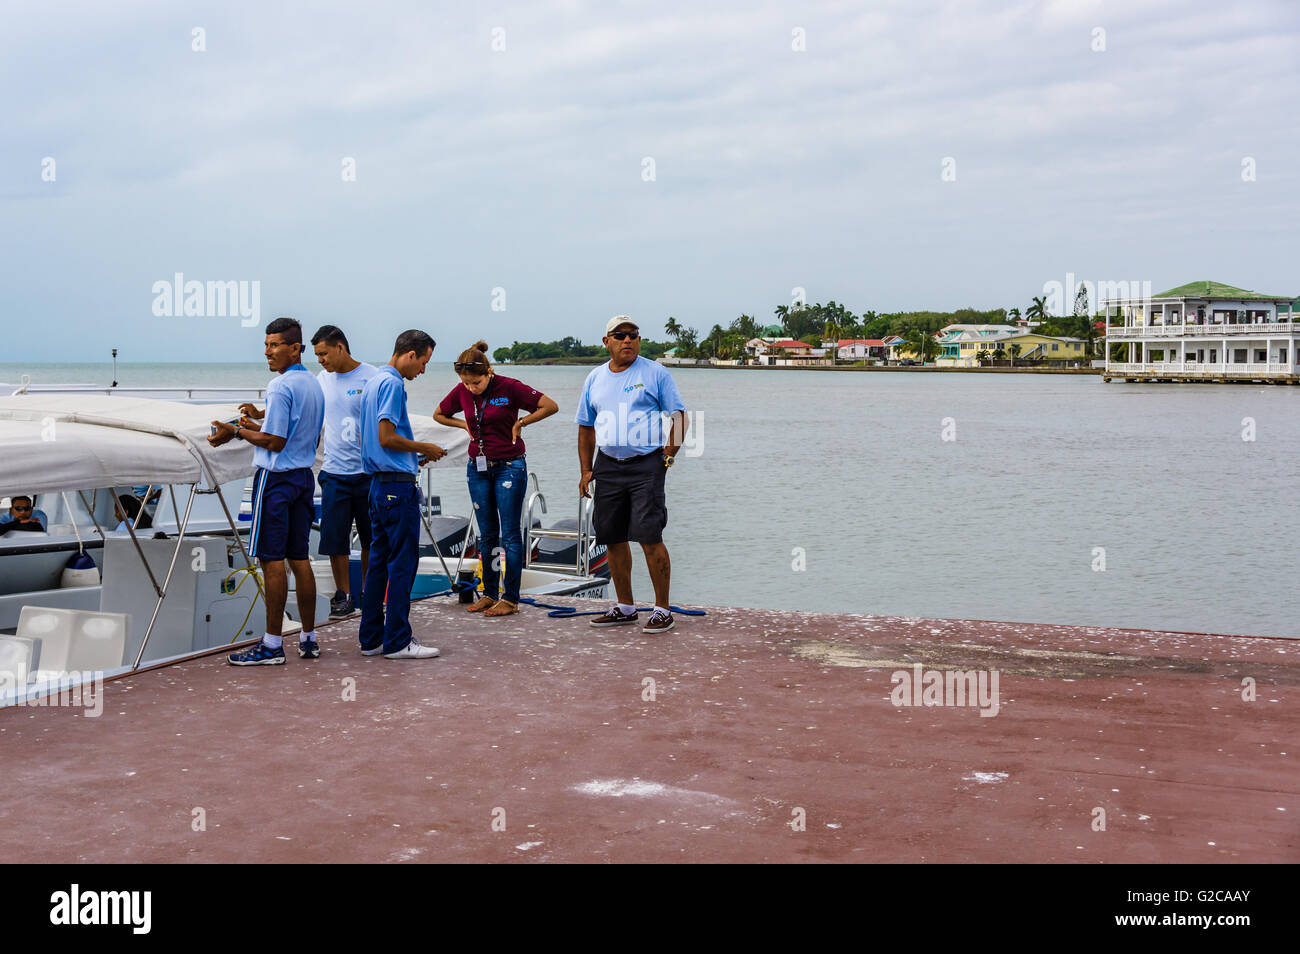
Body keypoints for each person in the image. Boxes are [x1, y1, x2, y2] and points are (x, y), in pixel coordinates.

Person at [209, 317, 325, 665]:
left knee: (270, 563)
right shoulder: (314, 384)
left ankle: (272, 646)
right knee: (300, 560)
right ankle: (308, 637)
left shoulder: (279, 386)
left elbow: (274, 442)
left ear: (294, 347)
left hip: (275, 481)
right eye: (266, 344)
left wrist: (235, 432)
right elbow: (295, 433)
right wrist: (252, 422)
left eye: (274, 345)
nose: (268, 352)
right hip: (304, 478)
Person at [576, 315, 687, 634]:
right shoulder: (595, 377)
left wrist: (667, 457)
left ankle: (663, 609)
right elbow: (586, 427)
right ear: (606, 341)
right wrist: (586, 470)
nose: (628, 340)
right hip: (607, 465)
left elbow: (680, 418)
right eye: (620, 335)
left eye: (633, 335)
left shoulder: (655, 373)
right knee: (612, 536)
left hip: (647, 465)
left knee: (650, 536)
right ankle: (625, 607)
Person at [433, 341, 558, 616]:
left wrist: (521, 422)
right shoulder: (463, 389)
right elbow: (439, 414)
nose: (471, 388)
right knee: (487, 534)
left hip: (509, 466)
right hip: (477, 468)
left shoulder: (509, 387)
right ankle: (489, 593)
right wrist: (462, 424)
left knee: (510, 534)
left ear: (489, 372)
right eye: (466, 384)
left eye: (476, 383)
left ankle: (510, 598)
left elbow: (550, 406)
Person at [358, 329, 446, 659]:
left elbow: (374, 441)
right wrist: (424, 446)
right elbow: (386, 436)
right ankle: (397, 640)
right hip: (397, 488)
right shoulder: (394, 384)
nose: (422, 370)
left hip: (378, 485)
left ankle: (371, 639)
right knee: (403, 564)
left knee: (379, 563)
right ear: (410, 354)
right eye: (423, 362)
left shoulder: (373, 383)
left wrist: (411, 456)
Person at [312, 324, 379, 618]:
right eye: (317, 355)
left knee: (370, 539)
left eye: (324, 353)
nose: (321, 360)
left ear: (340, 347)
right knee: (335, 540)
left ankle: (367, 592)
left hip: (366, 473)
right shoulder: (321, 380)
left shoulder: (372, 376)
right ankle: (343, 594)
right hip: (334, 472)